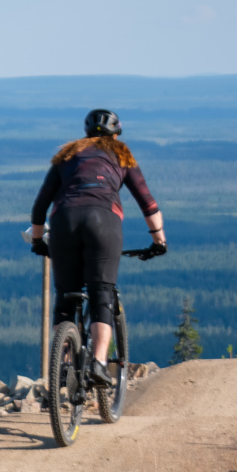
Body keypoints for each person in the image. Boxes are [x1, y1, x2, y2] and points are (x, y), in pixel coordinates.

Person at [29, 109, 167, 388]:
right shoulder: (122, 155)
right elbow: (147, 202)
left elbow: (40, 205)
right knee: (101, 292)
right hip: (103, 221)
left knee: (66, 298)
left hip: (64, 221)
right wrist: (158, 240)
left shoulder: (67, 155)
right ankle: (99, 364)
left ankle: (64, 366)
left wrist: (36, 241)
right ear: (116, 134)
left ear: (86, 133)